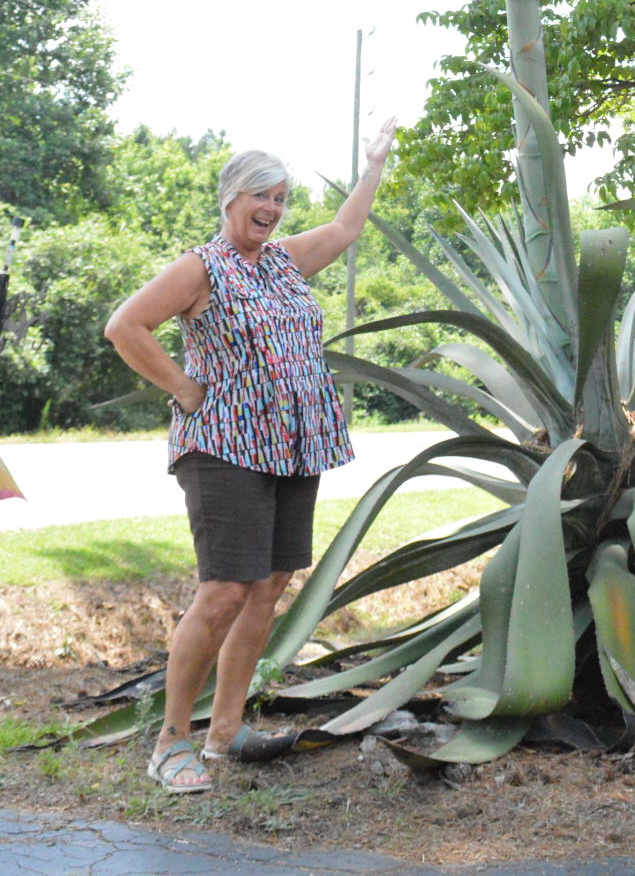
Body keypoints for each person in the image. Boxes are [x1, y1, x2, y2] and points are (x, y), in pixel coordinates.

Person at [104, 119, 397, 794]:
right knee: (224, 593)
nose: (270, 209)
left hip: (294, 446)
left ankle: (226, 731)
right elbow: (125, 325)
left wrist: (375, 163)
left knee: (268, 585)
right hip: (224, 449)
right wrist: (183, 389)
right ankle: (171, 742)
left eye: (280, 198)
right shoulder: (200, 268)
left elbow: (348, 229)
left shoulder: (287, 260)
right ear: (230, 199)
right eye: (259, 196)